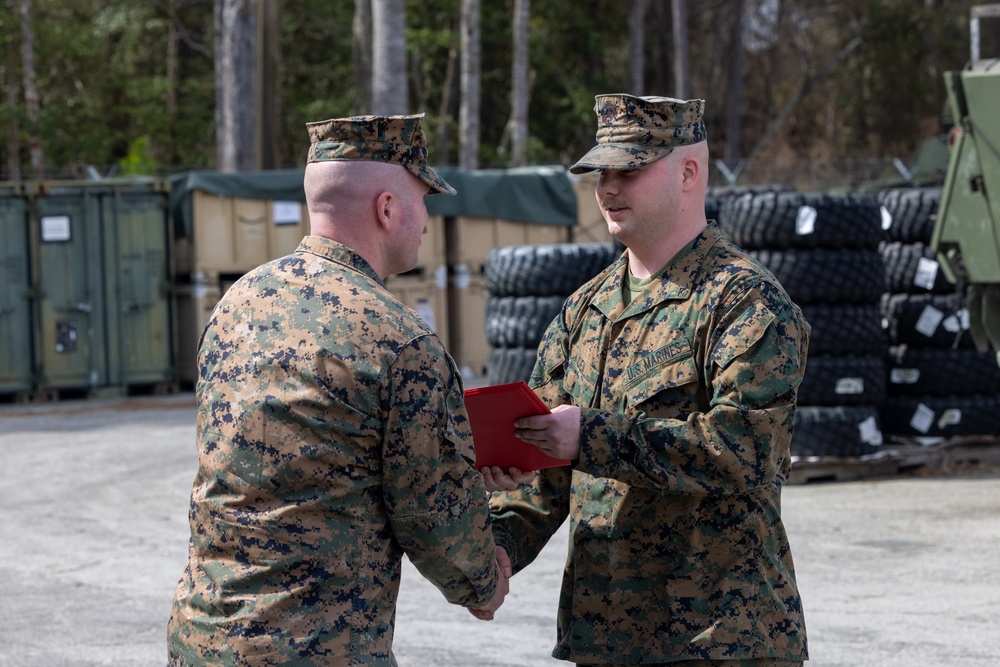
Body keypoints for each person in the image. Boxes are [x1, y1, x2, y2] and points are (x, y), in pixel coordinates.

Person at [167, 113, 510, 666]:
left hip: (203, 641)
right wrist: (484, 580)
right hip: (317, 650)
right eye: (423, 200)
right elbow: (431, 515)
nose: (426, 220)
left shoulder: (238, 304)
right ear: (388, 208)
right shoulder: (401, 342)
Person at [482, 94, 810, 666]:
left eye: (629, 170)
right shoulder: (585, 310)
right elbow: (543, 470)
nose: (608, 187)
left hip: (718, 637)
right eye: (600, 172)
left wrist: (591, 438)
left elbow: (745, 449)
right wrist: (496, 550)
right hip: (605, 637)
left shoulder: (743, 301)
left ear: (688, 172)